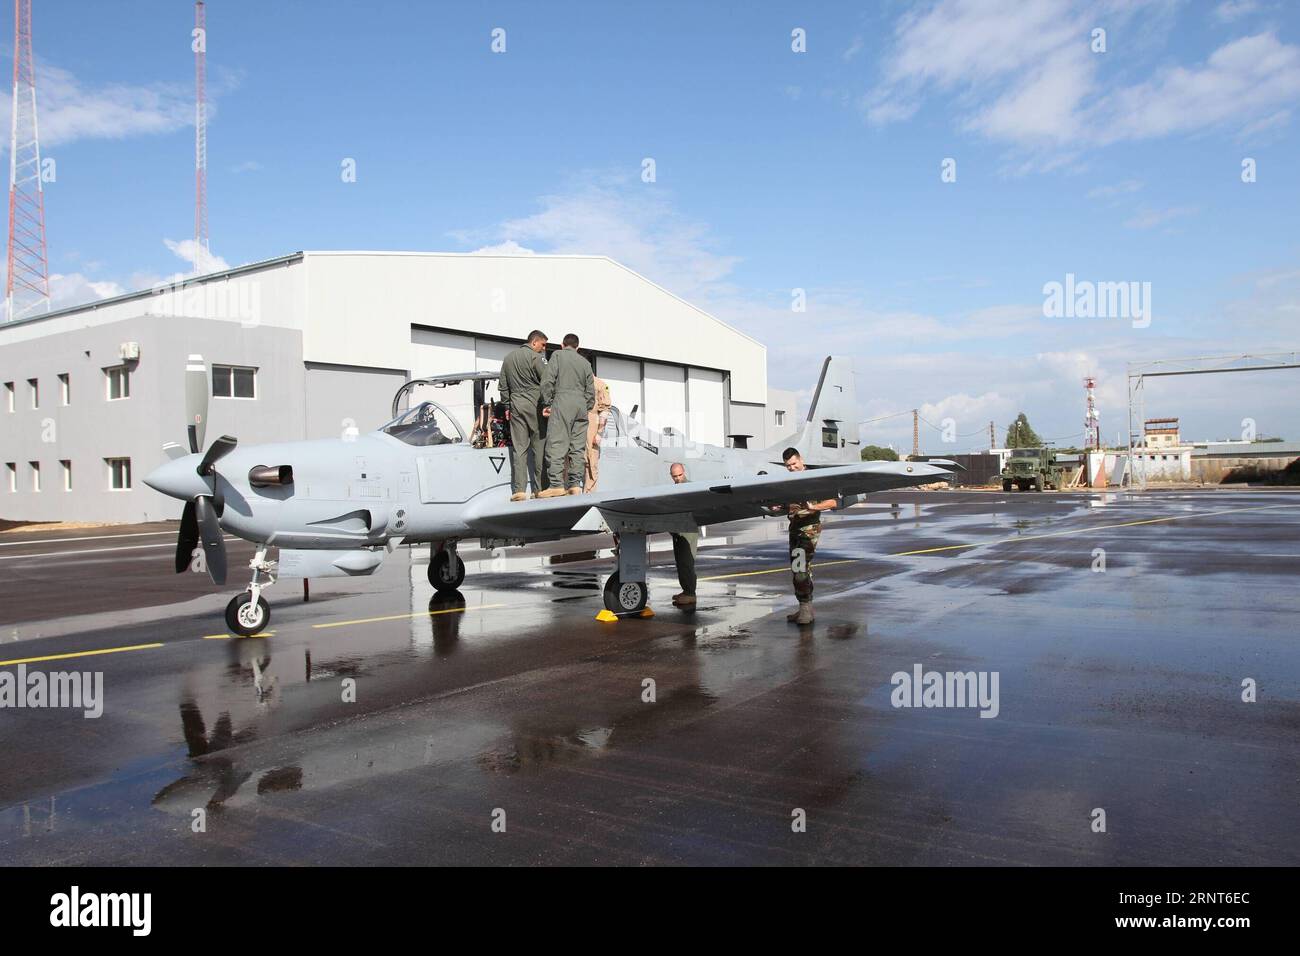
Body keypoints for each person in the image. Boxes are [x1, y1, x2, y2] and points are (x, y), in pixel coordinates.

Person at [779, 447, 837, 625]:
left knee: (800, 569)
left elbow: (833, 502)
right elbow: (786, 506)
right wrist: (778, 508)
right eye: (788, 466)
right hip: (794, 529)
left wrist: (813, 508)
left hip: (808, 530)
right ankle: (804, 607)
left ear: (801, 460)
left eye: (794, 464)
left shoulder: (814, 479)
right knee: (797, 569)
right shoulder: (788, 482)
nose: (792, 468)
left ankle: (806, 610)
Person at [538, 333, 595, 497]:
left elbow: (547, 381)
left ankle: (556, 484)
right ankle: (575, 485)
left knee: (556, 443)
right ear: (577, 347)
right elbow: (590, 392)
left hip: (562, 401)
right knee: (577, 448)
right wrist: (586, 406)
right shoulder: (585, 363)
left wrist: (547, 403)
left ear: (562, 345)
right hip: (581, 406)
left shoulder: (557, 355)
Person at [499, 330, 548, 501]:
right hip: (535, 405)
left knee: (519, 449)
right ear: (534, 342)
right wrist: (548, 403)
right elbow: (547, 381)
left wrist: (506, 405)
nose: (543, 349)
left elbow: (503, 386)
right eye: (543, 345)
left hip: (515, 405)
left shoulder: (508, 358)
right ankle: (540, 489)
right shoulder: (536, 358)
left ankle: (519, 490)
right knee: (539, 446)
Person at [668, 462, 697, 607]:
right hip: (678, 531)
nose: (678, 478)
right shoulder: (675, 488)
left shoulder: (690, 488)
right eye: (675, 476)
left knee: (687, 562)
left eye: (680, 475)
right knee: (680, 562)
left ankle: (691, 594)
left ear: (684, 472)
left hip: (687, 531)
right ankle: (686, 590)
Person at [584, 374, 612, 492]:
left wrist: (599, 433)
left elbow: (605, 410)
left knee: (591, 460)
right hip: (577, 422)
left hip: (591, 422)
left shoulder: (599, 384)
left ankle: (589, 494)